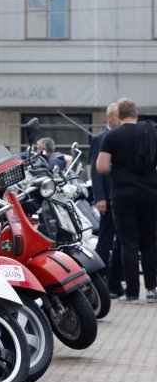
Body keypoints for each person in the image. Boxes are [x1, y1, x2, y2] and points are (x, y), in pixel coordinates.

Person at [97, 97, 157, 302]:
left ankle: (132, 292)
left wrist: (119, 169)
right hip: (150, 194)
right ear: (136, 113)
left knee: (128, 242)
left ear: (118, 115)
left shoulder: (112, 136)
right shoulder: (151, 133)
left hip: (123, 194)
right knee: (149, 241)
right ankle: (151, 289)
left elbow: (102, 167)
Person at [89, 102, 123, 297]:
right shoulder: (99, 138)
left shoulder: (124, 138)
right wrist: (99, 197)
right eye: (119, 116)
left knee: (122, 243)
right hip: (107, 200)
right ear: (110, 117)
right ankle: (100, 283)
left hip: (122, 198)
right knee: (105, 241)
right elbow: (96, 170)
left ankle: (116, 283)